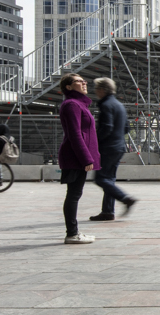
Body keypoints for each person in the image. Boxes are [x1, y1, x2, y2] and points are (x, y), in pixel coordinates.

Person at [58, 73, 100, 244]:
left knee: (75, 194)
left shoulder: (79, 104)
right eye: (78, 81)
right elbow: (75, 134)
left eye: (84, 80)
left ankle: (74, 232)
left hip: (78, 156)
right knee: (73, 195)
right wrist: (86, 158)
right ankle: (72, 234)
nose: (84, 83)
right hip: (74, 156)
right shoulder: (71, 105)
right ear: (68, 87)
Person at [90, 77, 136, 221]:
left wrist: (95, 142)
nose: (95, 92)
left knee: (100, 179)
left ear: (103, 90)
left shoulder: (106, 105)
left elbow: (107, 127)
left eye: (97, 89)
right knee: (109, 179)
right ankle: (108, 211)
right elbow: (127, 127)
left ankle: (125, 198)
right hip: (119, 146)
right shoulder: (119, 105)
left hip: (108, 148)